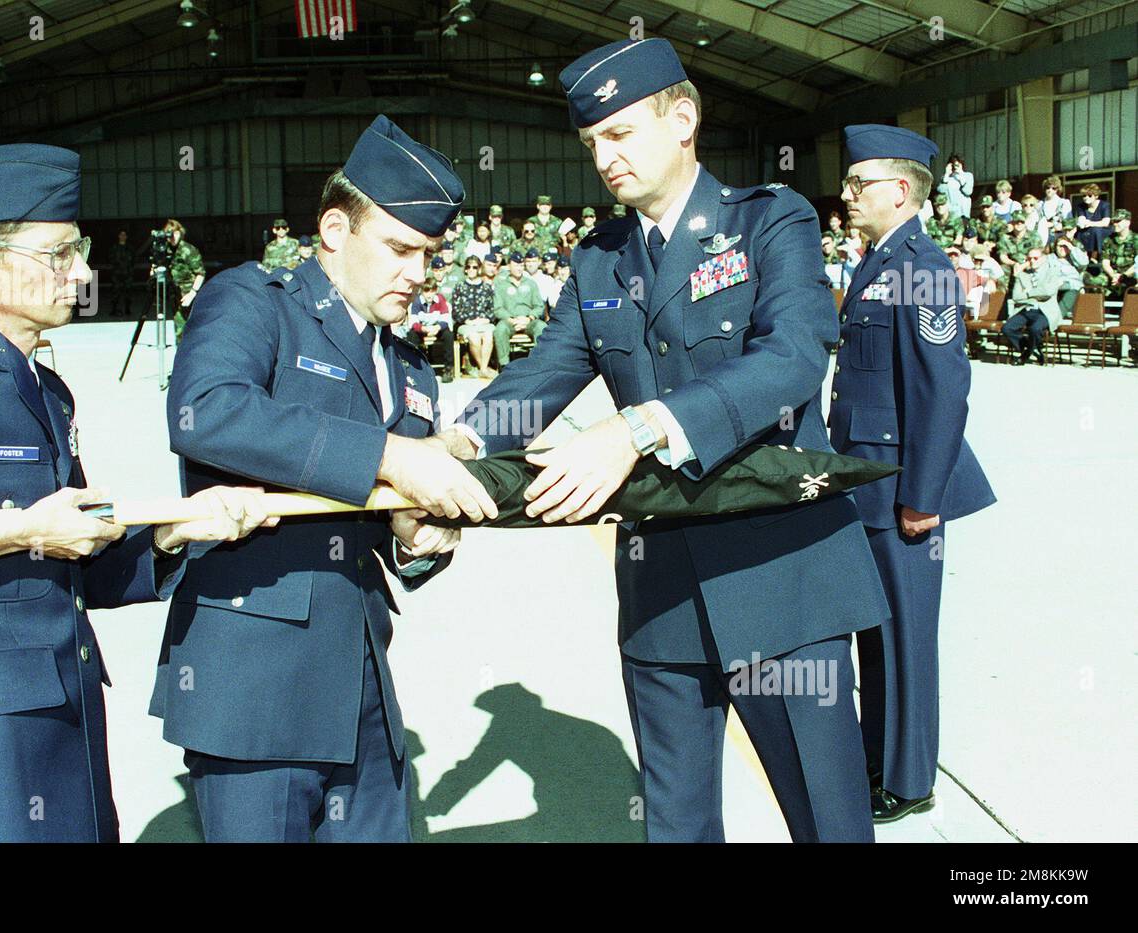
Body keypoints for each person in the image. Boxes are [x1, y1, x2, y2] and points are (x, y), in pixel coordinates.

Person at [439, 38, 892, 843]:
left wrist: (639, 426)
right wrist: (458, 447)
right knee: (675, 825)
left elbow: (792, 357)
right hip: (662, 592)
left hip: (780, 574)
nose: (603, 159)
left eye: (619, 134)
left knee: (827, 821)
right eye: (591, 145)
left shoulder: (769, 220)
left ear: (682, 119)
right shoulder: (599, 261)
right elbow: (539, 380)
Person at [0, 144, 273, 842]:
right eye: (60, 254)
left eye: (82, 251)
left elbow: (72, 556)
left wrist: (173, 530)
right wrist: (16, 532)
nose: (84, 272)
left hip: (68, 722)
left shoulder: (46, 390)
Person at [151, 115, 492, 843]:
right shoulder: (255, 301)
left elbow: (390, 527)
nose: (418, 273)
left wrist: (419, 537)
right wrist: (391, 457)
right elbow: (204, 411)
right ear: (335, 229)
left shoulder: (407, 366)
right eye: (399, 248)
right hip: (254, 688)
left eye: (429, 254)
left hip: (363, 686)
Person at [831, 124, 996, 823]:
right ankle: (878, 755)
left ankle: (907, 777)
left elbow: (941, 388)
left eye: (857, 183)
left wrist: (923, 495)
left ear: (900, 191)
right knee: (876, 629)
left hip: (902, 485)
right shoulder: (880, 260)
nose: (845, 195)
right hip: (868, 477)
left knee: (905, 635)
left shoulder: (923, 266)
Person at [1004, 246, 1063, 364]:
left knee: (1035, 329)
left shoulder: (1052, 272)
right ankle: (1033, 348)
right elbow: (1016, 296)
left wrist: (1028, 292)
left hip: (1045, 310)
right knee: (1007, 328)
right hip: (1026, 308)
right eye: (1029, 258)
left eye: (1035, 258)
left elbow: (1048, 291)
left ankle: (1026, 353)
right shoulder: (1023, 274)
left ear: (1044, 258)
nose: (1032, 261)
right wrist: (1036, 293)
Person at [493, 250, 545, 368]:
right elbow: (498, 308)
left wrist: (529, 318)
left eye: (521, 265)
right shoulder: (501, 285)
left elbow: (539, 306)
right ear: (509, 266)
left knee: (541, 327)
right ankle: (504, 365)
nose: (519, 268)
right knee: (500, 329)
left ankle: (539, 362)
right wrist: (511, 319)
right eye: (516, 265)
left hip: (528, 320)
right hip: (510, 321)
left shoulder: (531, 284)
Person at [451, 254, 496, 378]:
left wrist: (486, 319)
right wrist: (467, 320)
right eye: (469, 267)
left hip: (484, 322)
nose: (471, 270)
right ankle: (484, 369)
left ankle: (482, 369)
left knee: (488, 336)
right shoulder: (460, 287)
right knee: (474, 338)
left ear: (479, 269)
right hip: (466, 324)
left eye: (475, 267)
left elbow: (492, 308)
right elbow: (455, 311)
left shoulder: (487, 288)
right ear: (465, 269)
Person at [409, 275, 455, 382]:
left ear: (436, 291)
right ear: (422, 291)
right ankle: (414, 369)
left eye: (432, 291)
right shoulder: (417, 302)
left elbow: (446, 319)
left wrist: (437, 327)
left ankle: (448, 369)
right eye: (426, 291)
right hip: (423, 328)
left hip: (436, 327)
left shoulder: (440, 299)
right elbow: (413, 323)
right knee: (411, 336)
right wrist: (423, 328)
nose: (429, 294)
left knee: (448, 335)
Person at [1100, 208, 1136, 299]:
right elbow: (1105, 262)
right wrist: (1113, 276)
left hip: (1130, 276)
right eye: (1113, 221)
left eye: (1118, 221)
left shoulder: (1136, 240)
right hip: (1112, 276)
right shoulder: (1108, 240)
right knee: (1095, 282)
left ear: (1128, 222)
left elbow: (1137, 265)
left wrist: (1122, 276)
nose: (1115, 224)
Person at [1076, 183, 1111, 256]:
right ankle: (1082, 255)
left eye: (1089, 195)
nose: (1086, 197)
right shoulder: (1081, 206)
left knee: (1095, 230)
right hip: (1087, 229)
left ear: (1096, 196)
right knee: (1079, 233)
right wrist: (1083, 223)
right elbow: (1082, 219)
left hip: (1102, 230)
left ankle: (1095, 255)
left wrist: (1090, 223)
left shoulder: (1104, 205)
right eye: (1084, 195)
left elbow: (1105, 222)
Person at [109, 229, 133, 317]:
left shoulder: (130, 248)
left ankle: (127, 309)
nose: (123, 237)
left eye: (124, 235)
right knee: (115, 292)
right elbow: (111, 258)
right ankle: (114, 309)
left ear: (126, 237)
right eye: (121, 235)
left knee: (128, 292)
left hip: (127, 273)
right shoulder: (114, 247)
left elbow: (133, 259)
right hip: (117, 273)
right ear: (119, 236)